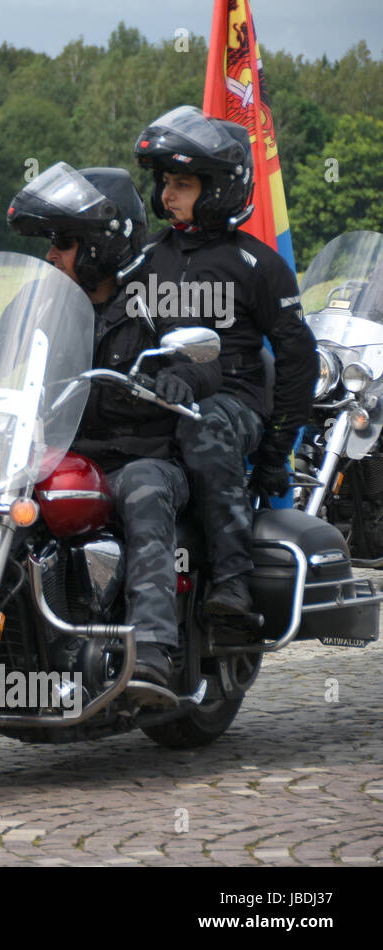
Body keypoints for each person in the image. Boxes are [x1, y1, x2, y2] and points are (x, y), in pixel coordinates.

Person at [8, 162, 221, 687]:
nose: (51, 254)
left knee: (144, 494)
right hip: (62, 456)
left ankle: (150, 649)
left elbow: (207, 358)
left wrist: (181, 379)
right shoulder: (44, 300)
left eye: (63, 242)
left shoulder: (158, 294)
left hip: (142, 456)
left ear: (102, 244)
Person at [134, 105, 317, 620]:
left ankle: (233, 582)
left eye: (183, 184)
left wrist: (279, 451)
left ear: (218, 189)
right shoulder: (145, 258)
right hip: (155, 394)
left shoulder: (257, 265)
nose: (168, 195)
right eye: (166, 182)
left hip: (229, 402)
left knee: (204, 427)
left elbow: (299, 359)